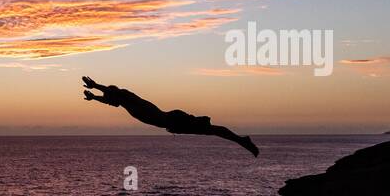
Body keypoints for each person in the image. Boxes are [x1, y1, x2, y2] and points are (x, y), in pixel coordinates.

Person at [82, 76, 260, 156]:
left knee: (212, 130)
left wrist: (96, 85)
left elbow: (113, 94)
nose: (110, 101)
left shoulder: (126, 96)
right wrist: (95, 97)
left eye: (109, 96)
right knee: (211, 130)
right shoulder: (125, 103)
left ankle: (242, 140)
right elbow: (111, 101)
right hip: (173, 121)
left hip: (173, 120)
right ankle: (241, 140)